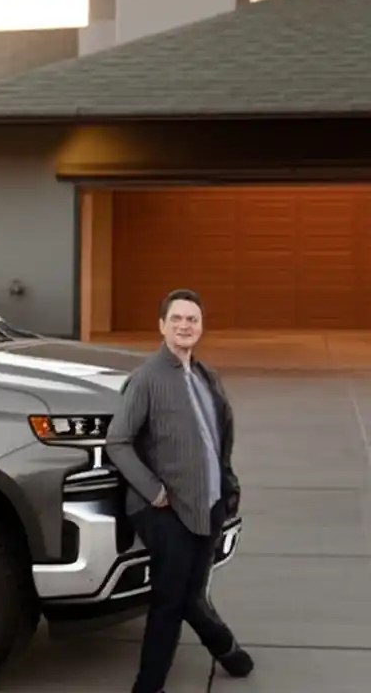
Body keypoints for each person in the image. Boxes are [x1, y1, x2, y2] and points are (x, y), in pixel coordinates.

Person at [105, 288, 255, 693]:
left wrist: (227, 485)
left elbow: (217, 439)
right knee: (171, 600)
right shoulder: (147, 379)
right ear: (161, 326)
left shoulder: (207, 377)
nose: (185, 326)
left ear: (201, 326)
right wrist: (153, 491)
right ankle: (148, 685)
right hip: (163, 508)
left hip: (207, 505)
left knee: (191, 594)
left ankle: (227, 649)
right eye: (177, 319)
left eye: (192, 319)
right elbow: (117, 441)